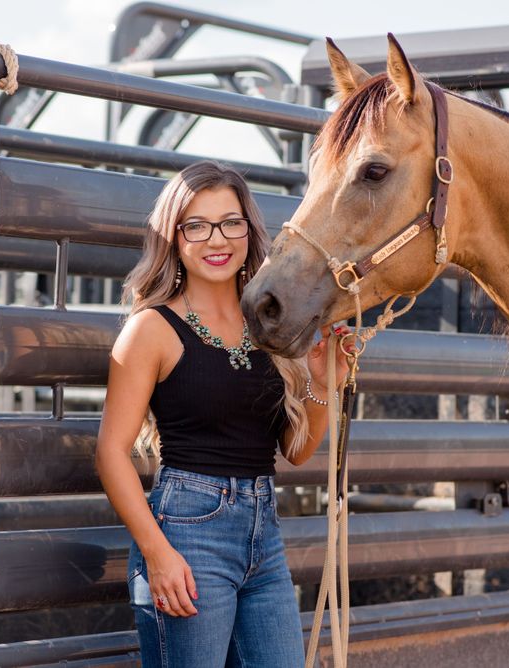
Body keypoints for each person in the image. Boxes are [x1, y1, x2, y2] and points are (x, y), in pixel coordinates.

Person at [95, 160, 350, 667]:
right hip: (187, 533)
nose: (218, 239)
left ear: (248, 230)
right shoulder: (151, 329)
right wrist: (157, 553)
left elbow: (294, 454)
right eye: (197, 225)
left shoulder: (268, 320)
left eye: (230, 222)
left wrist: (323, 385)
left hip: (264, 531)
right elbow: (110, 452)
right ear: (174, 237)